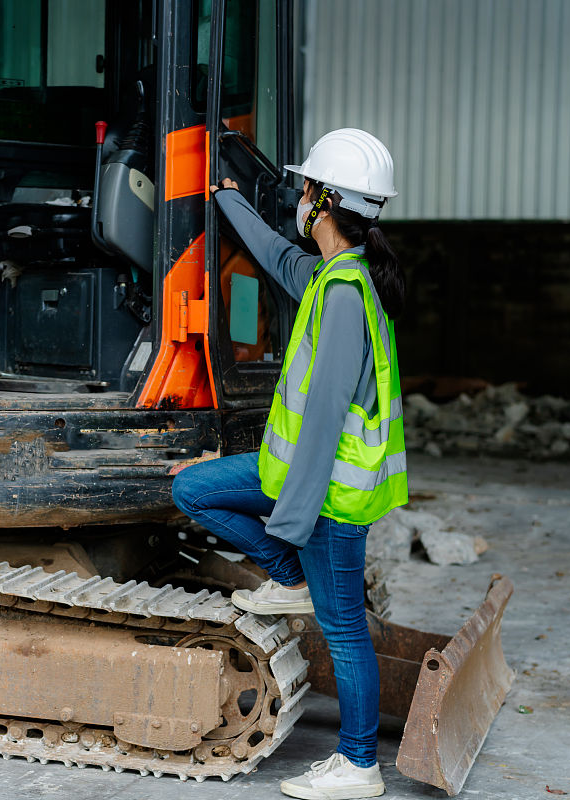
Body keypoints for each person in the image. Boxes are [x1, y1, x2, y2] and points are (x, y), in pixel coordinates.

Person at [171, 128, 407, 800]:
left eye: (306, 191)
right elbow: (276, 256)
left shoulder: (342, 298)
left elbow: (326, 419)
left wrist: (293, 526)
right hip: (313, 485)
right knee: (194, 488)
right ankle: (290, 576)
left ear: (326, 201)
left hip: (331, 497)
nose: (298, 201)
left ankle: (359, 766)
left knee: (343, 629)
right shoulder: (339, 273)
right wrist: (228, 201)